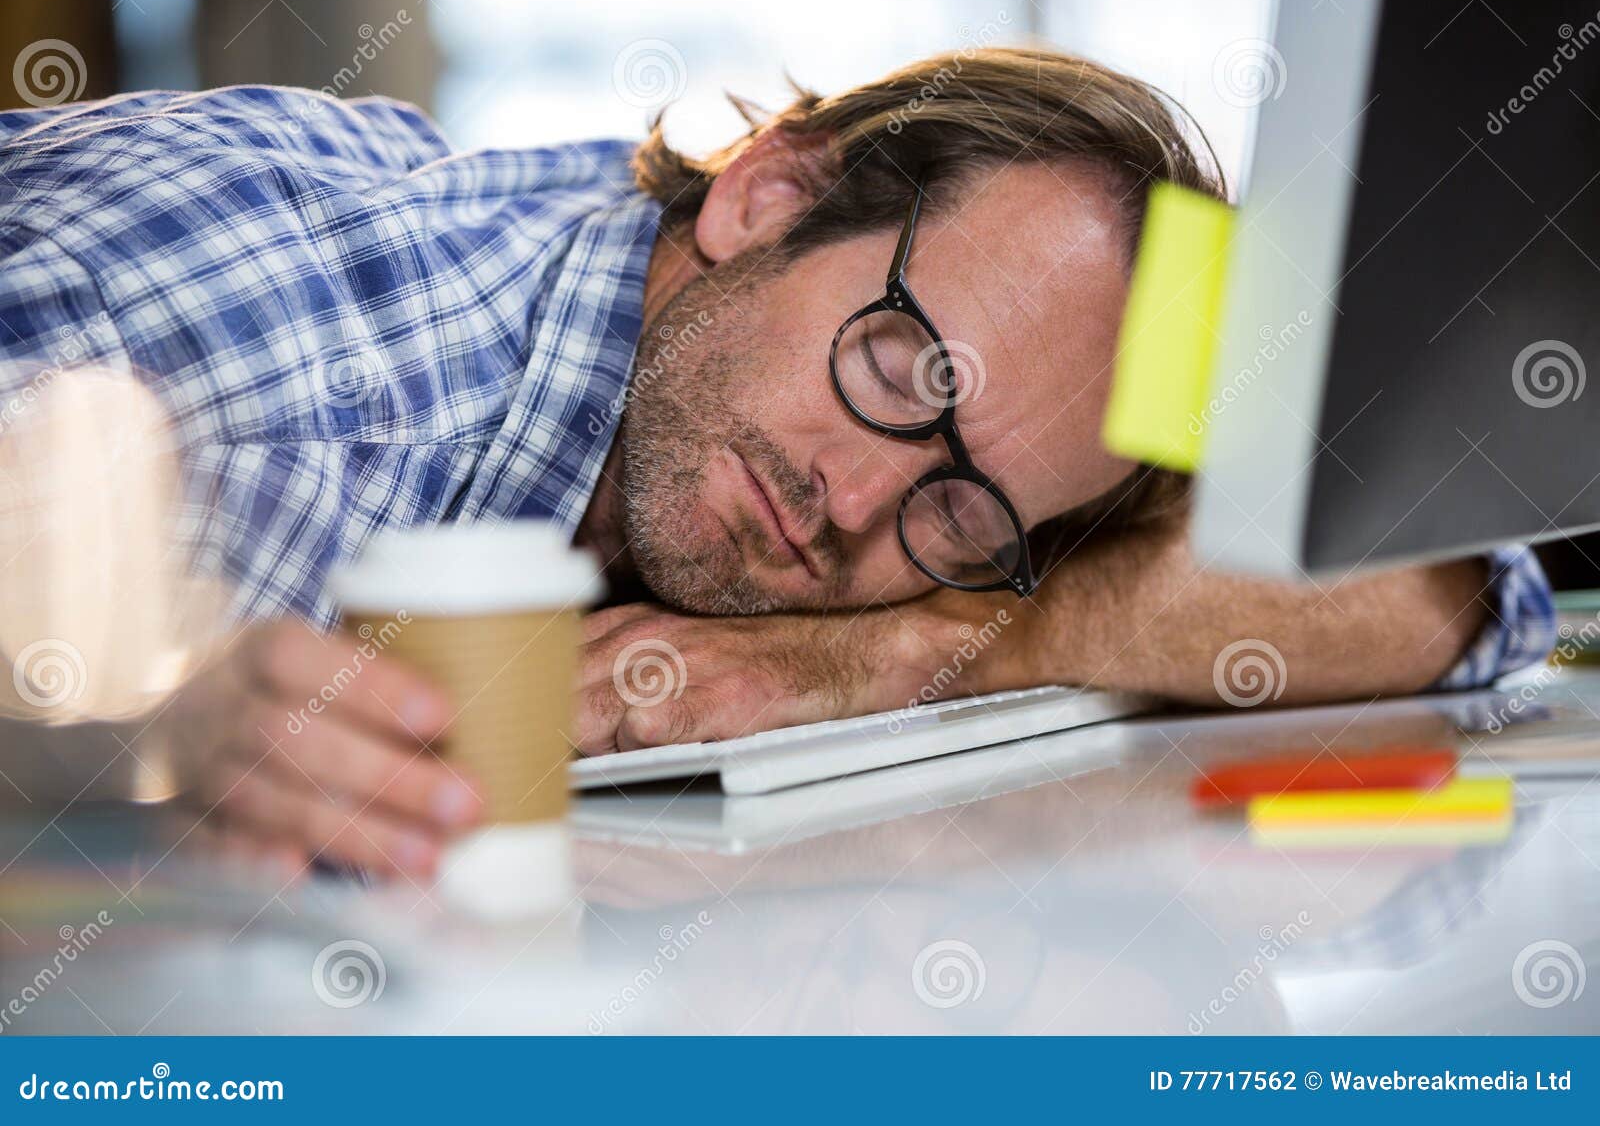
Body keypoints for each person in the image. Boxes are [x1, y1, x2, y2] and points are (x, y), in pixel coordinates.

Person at [0, 48, 1553, 879]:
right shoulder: (258, 353)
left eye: (961, 511)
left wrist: (934, 641)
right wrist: (124, 748)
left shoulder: (918, 488)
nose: (854, 505)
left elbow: (1456, 590)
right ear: (770, 193)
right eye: (900, 369)